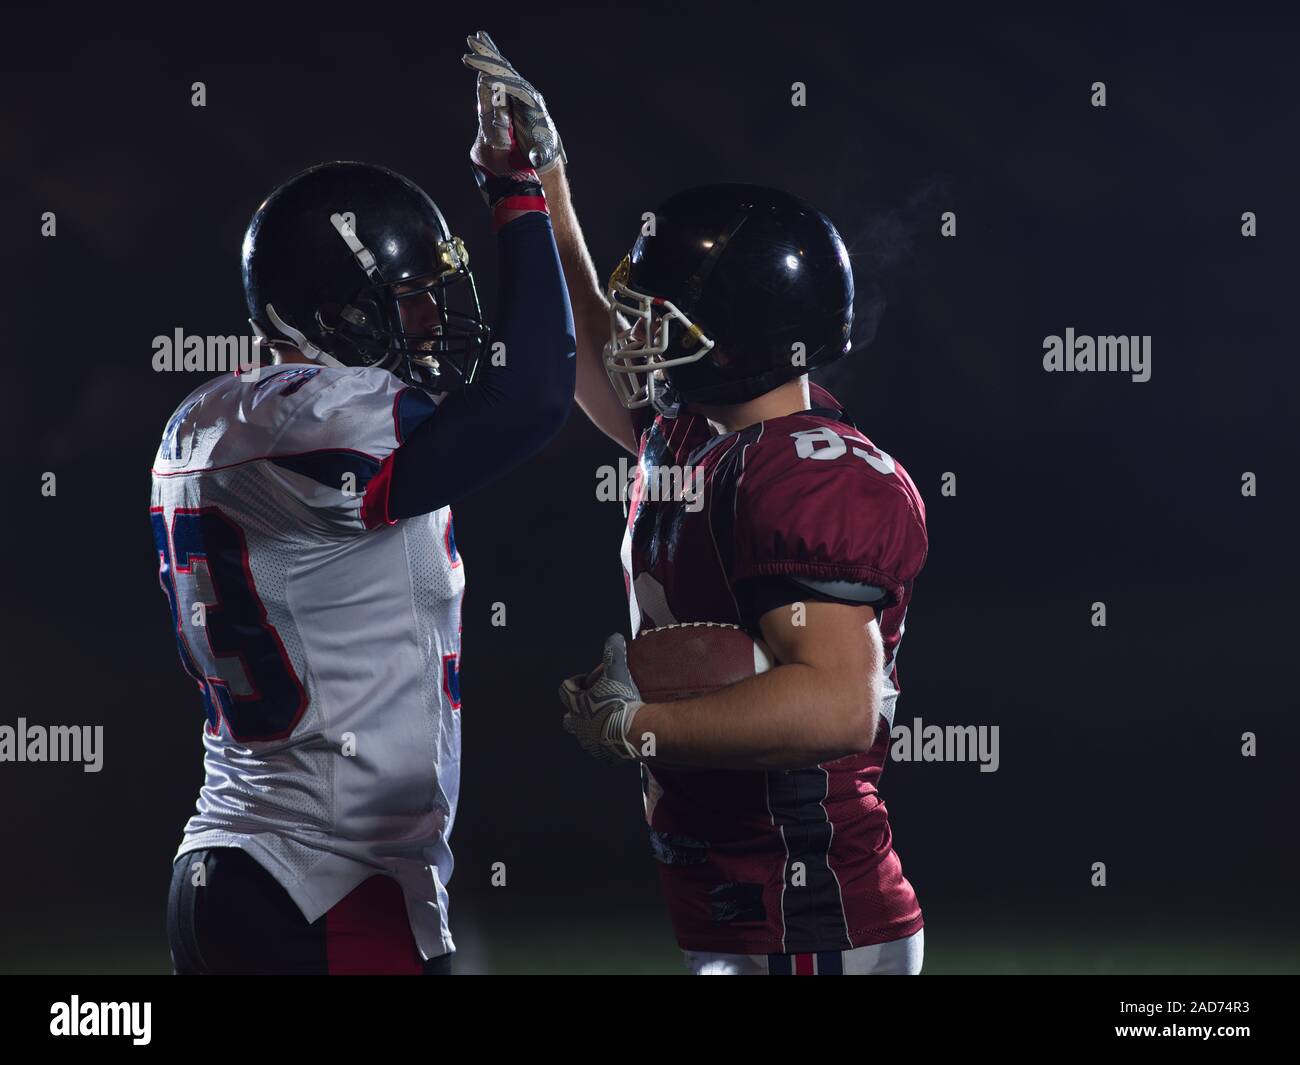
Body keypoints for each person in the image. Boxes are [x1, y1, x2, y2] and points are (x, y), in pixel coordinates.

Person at [464, 32, 927, 976]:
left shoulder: (810, 474)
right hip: (740, 899)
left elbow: (840, 703)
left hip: (811, 909)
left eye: (662, 321)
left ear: (740, 340)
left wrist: (646, 724)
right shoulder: (692, 435)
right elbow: (592, 344)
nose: (637, 332)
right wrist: (540, 182)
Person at [154, 113, 575, 974]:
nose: (429, 318)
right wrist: (519, 194)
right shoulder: (327, 421)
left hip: (245, 866)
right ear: (328, 313)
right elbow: (531, 398)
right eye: (406, 295)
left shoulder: (206, 419)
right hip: (314, 885)